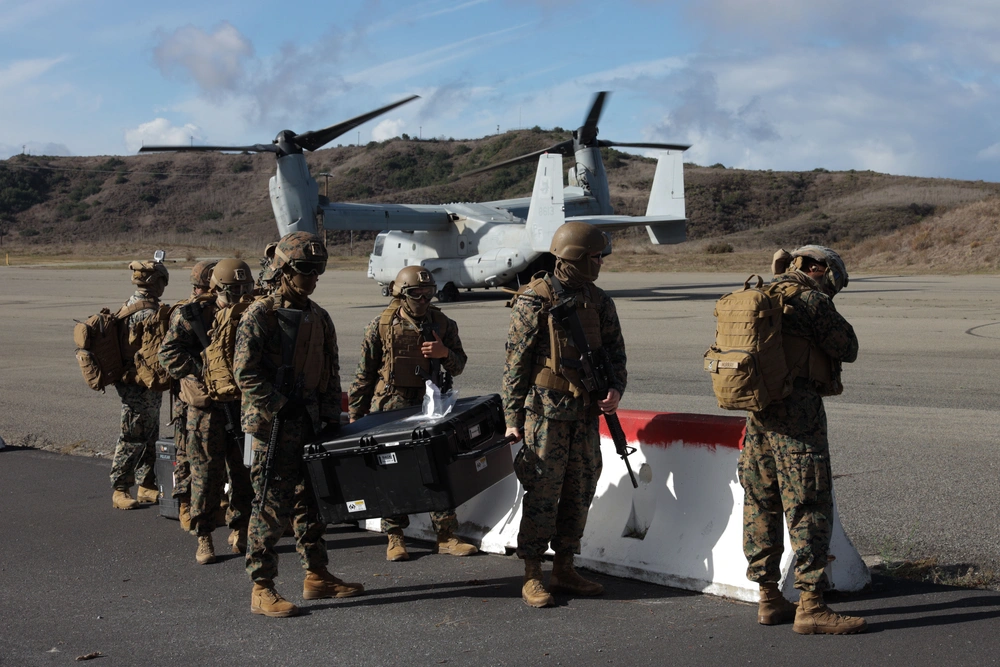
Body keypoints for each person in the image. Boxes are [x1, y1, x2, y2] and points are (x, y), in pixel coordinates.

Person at [234, 231, 364, 617]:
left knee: (314, 503)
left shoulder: (319, 316)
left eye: (317, 271)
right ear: (284, 270)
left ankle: (317, 575)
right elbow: (245, 373)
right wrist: (279, 404)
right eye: (305, 270)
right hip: (272, 426)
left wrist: (329, 418)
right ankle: (262, 586)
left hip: (308, 422)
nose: (312, 278)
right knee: (270, 507)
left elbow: (330, 372)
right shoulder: (261, 315)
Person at [739, 245, 866, 635]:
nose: (830, 289)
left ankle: (769, 598)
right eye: (831, 281)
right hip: (799, 417)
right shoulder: (811, 300)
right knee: (809, 502)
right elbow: (849, 347)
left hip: (759, 415)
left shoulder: (762, 295)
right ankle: (811, 605)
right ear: (817, 269)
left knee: (761, 500)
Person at [501, 221, 627, 608]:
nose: (600, 263)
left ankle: (566, 566)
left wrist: (615, 389)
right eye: (594, 257)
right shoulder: (534, 300)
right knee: (543, 492)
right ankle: (533, 573)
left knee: (580, 490)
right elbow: (515, 363)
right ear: (573, 258)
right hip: (545, 416)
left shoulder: (599, 300)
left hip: (585, 414)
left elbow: (616, 352)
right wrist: (511, 417)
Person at [348, 265, 476, 561]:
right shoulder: (381, 325)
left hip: (431, 408)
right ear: (401, 294)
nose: (423, 299)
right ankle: (394, 536)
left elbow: (460, 364)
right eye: (415, 293)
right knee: (392, 472)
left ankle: (446, 535)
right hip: (391, 408)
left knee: (438, 468)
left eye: (428, 293)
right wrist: (357, 414)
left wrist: (444, 354)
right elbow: (364, 374)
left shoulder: (443, 324)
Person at [159, 259, 254, 565]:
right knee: (205, 474)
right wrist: (202, 370)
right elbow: (168, 353)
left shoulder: (255, 313)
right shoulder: (194, 314)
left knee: (245, 470)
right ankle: (204, 536)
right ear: (217, 288)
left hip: (243, 405)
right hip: (207, 408)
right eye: (232, 290)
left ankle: (241, 527)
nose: (239, 294)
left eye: (243, 288)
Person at [110, 257, 169, 510]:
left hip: (142, 383)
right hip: (138, 384)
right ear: (156, 282)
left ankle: (147, 485)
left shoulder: (131, 305)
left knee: (150, 435)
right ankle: (120, 488)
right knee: (133, 436)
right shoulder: (147, 312)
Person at [169, 259, 217, 530]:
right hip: (190, 395)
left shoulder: (218, 310)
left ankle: (219, 506)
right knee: (187, 453)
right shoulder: (186, 313)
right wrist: (201, 369)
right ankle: (185, 505)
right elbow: (170, 354)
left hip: (217, 394)